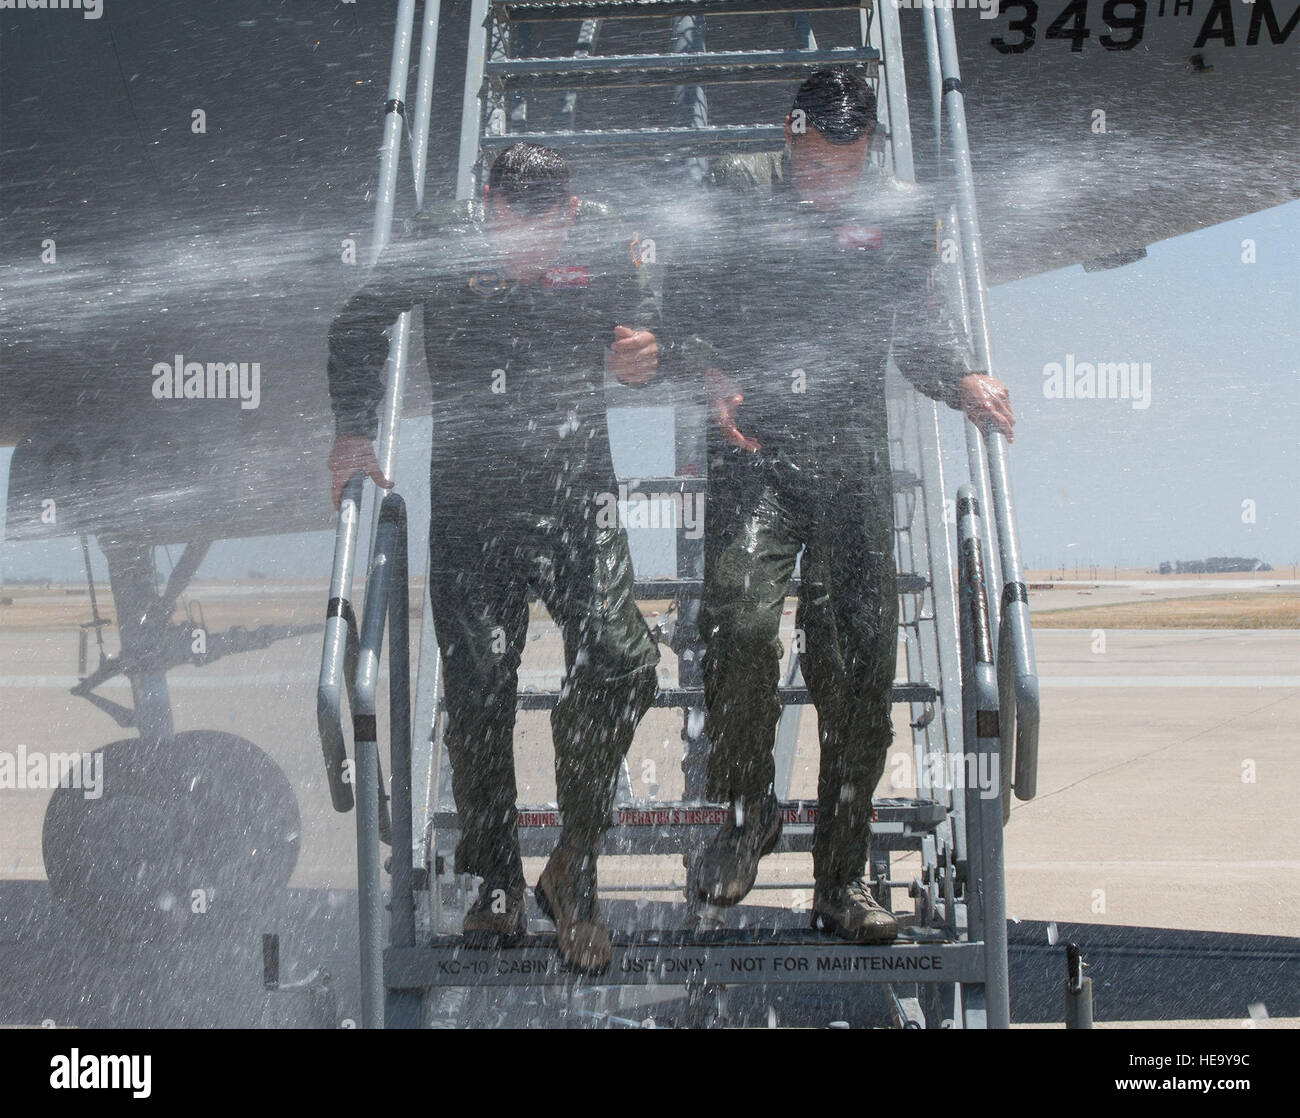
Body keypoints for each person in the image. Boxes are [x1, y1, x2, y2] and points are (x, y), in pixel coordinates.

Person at [669, 68, 1015, 943]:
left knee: (858, 664)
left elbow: (921, 324)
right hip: (754, 447)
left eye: (851, 166)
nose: (836, 184)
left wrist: (965, 373)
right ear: (791, 136)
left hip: (849, 454)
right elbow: (681, 303)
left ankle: (844, 878)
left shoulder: (898, 213)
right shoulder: (736, 193)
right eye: (822, 165)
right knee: (742, 625)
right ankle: (749, 813)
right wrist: (706, 364)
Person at [325, 143, 662, 974]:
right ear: (486, 203)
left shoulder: (610, 242)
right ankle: (498, 881)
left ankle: (573, 868)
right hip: (476, 502)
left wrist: (644, 358)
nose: (526, 247)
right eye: (511, 225)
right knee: (478, 689)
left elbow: (661, 329)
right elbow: (357, 319)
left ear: (571, 214)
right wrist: (351, 431)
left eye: (544, 229)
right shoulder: (441, 239)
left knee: (624, 660)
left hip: (578, 491)